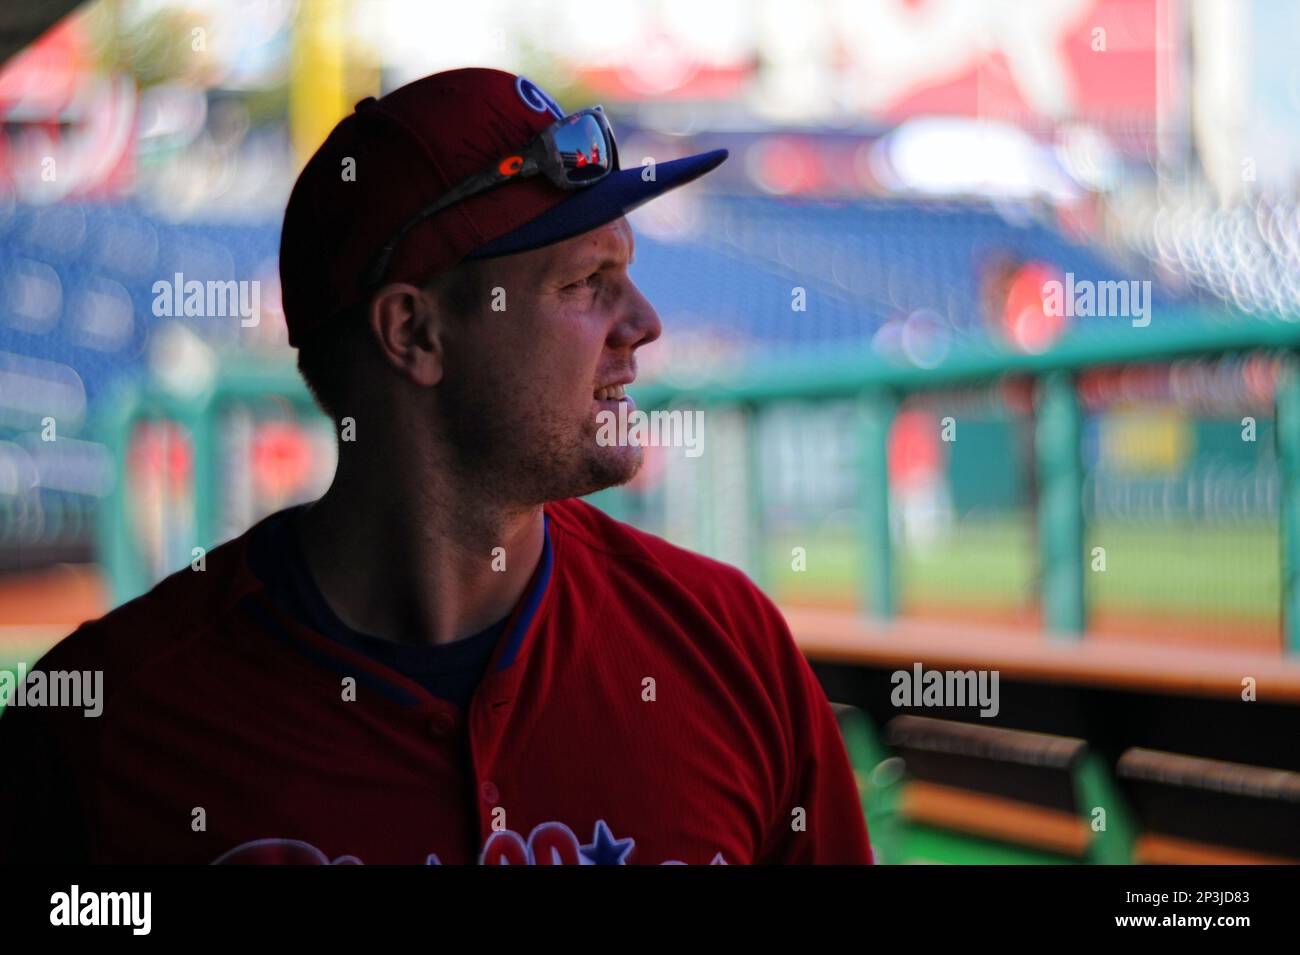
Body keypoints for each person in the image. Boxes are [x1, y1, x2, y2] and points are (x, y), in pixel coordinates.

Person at [0, 68, 872, 865]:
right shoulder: (102, 727)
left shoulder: (733, 648)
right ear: (413, 333)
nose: (643, 322)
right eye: (584, 282)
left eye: (628, 271)